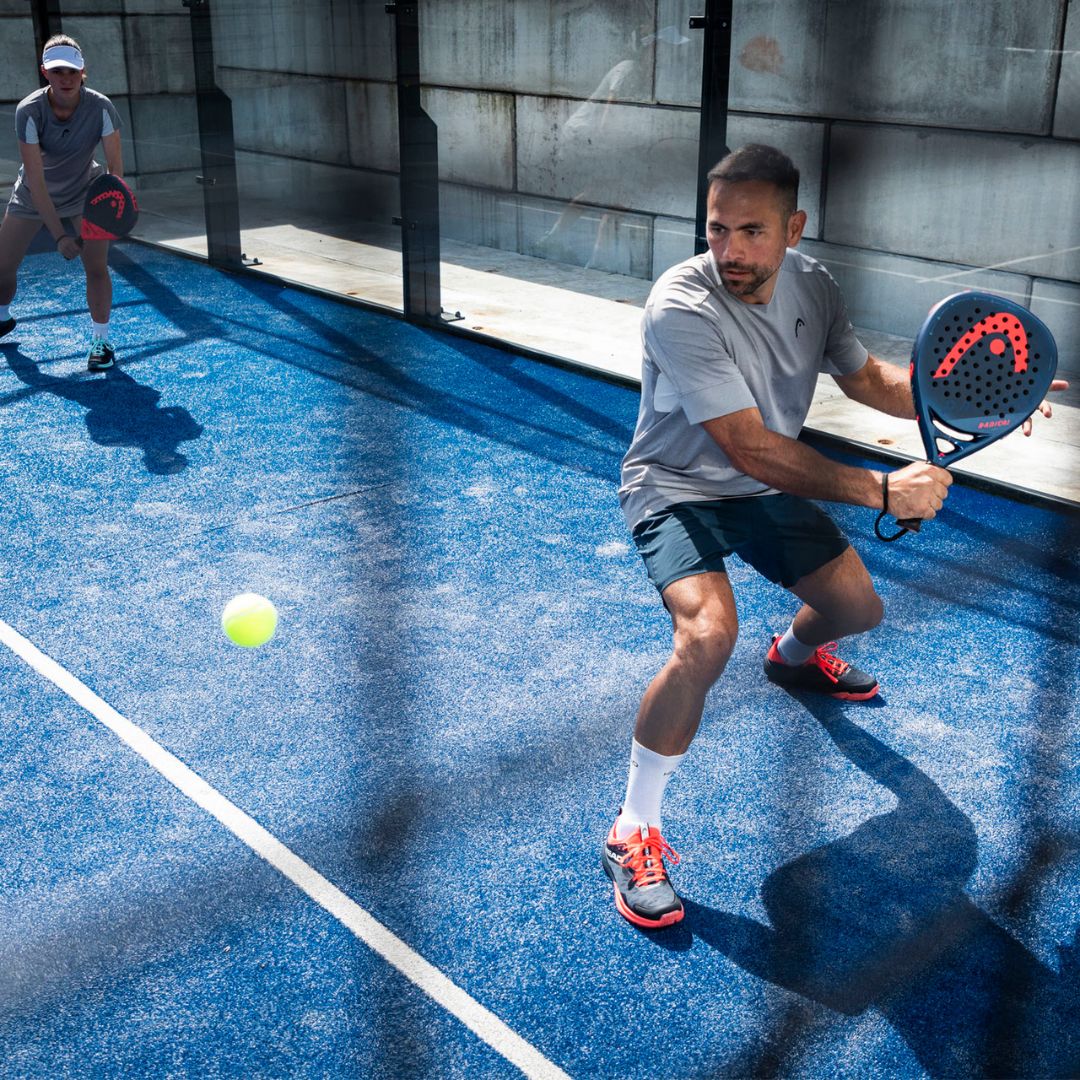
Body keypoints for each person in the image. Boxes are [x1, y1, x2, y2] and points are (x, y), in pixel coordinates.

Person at [602, 143, 1068, 931]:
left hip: (761, 489)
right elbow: (748, 446)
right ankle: (632, 829)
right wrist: (886, 489)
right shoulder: (680, 305)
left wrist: (966, 393)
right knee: (708, 634)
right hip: (677, 486)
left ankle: (791, 657)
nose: (730, 251)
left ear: (794, 227)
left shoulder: (814, 284)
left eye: (751, 232)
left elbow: (864, 380)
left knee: (859, 610)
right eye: (717, 231)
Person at [0, 35, 125, 371]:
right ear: (45, 72)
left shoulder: (101, 107)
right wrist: (59, 237)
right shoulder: (28, 110)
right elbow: (37, 181)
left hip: (87, 192)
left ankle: (101, 343)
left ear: (83, 71)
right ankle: (1, 315)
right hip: (33, 195)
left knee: (96, 267)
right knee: (1, 271)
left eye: (72, 70)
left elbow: (116, 170)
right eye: (57, 71)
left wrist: (111, 205)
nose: (65, 78)